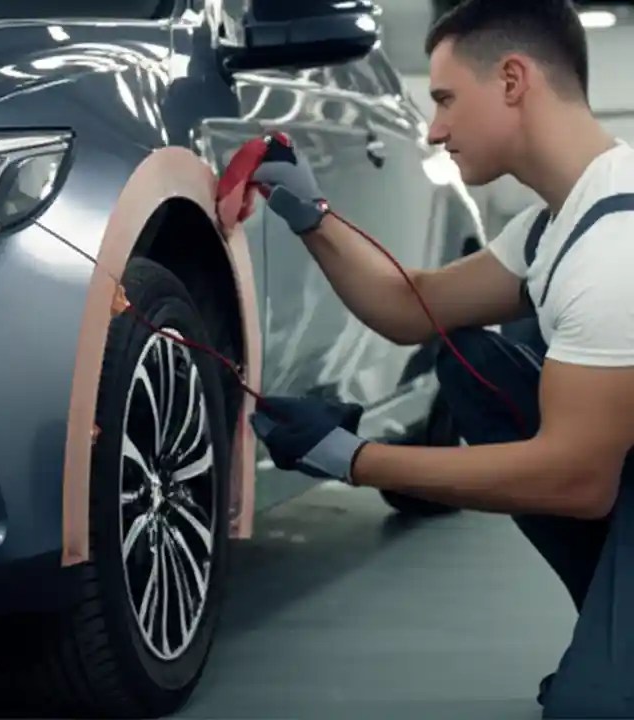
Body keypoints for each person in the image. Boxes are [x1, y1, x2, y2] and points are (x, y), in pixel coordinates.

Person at [246, 0, 634, 716]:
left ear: (513, 80)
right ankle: (611, 636)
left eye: (447, 99)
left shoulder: (617, 245)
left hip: (600, 475)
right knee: (468, 364)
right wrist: (312, 216)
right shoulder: (557, 224)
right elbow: (412, 307)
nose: (434, 129)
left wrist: (354, 460)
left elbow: (578, 483)